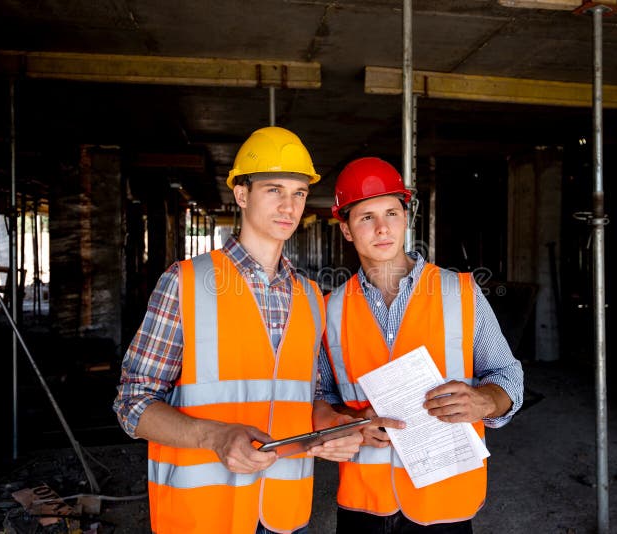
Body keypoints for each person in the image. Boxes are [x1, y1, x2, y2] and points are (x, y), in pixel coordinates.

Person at [113, 126, 362, 534]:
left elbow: (309, 395)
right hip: (203, 515)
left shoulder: (312, 296)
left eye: (299, 192)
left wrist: (329, 423)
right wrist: (214, 437)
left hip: (285, 513)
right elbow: (132, 403)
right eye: (273, 190)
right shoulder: (187, 283)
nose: (289, 206)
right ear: (242, 195)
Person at [314, 157, 525, 533]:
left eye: (392, 213)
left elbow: (508, 376)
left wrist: (487, 401)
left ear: (406, 217)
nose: (382, 228)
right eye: (366, 217)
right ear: (345, 229)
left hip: (443, 501)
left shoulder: (459, 292)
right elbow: (320, 396)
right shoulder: (330, 309)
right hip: (365, 504)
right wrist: (349, 422)